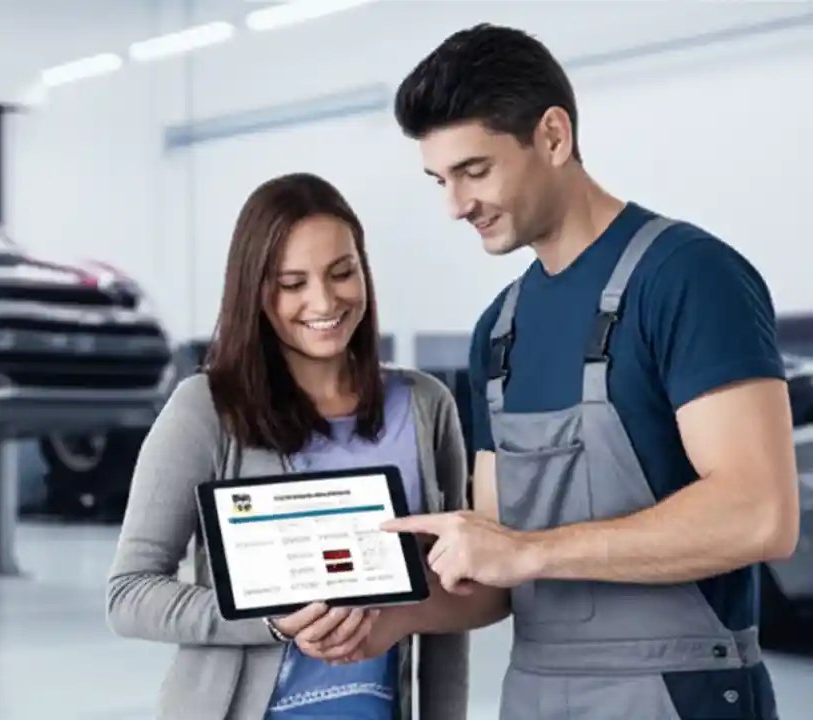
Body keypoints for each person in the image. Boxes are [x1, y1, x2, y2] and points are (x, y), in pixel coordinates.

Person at [316, 22, 801, 720]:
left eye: (474, 171)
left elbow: (760, 515)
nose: (455, 205)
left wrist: (530, 552)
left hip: (679, 693)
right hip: (536, 693)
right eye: (441, 180)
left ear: (552, 136)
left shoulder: (690, 277)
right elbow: (493, 574)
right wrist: (387, 619)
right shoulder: (499, 330)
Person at [106, 172, 503, 719]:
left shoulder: (425, 406)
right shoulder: (205, 410)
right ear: (255, 293)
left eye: (342, 272)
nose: (324, 300)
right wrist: (269, 622)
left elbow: (456, 594)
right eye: (292, 283)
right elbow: (130, 593)